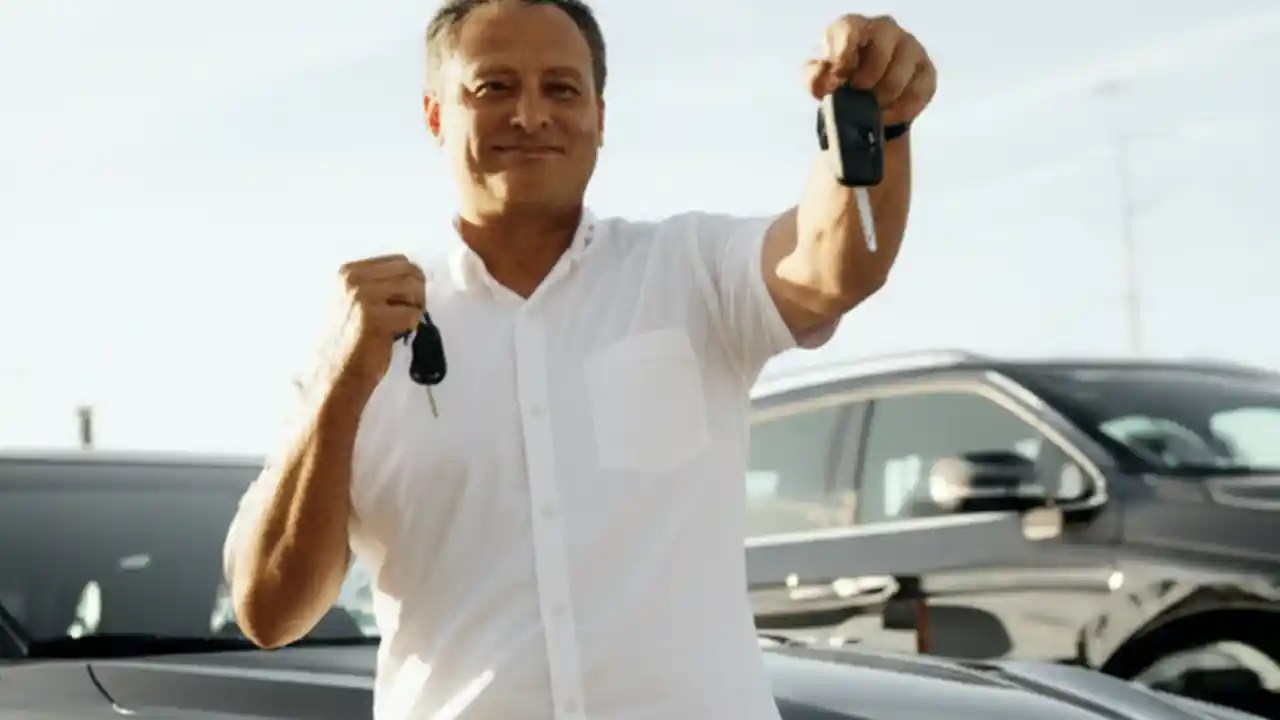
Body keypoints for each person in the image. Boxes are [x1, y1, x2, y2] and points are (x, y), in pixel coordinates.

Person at [222, 1, 937, 718]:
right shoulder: (358, 338)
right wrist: (343, 385)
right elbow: (269, 611)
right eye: (494, 87)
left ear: (600, 116)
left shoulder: (692, 272)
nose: (530, 115)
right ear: (436, 115)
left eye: (560, 89)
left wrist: (880, 120)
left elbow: (833, 264)